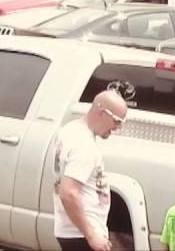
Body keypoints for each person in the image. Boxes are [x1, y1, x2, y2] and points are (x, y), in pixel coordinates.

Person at [52, 90, 127, 251]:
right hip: (82, 235)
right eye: (116, 121)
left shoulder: (69, 131)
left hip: (72, 230)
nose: (117, 128)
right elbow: (69, 193)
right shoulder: (84, 146)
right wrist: (92, 235)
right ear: (101, 112)